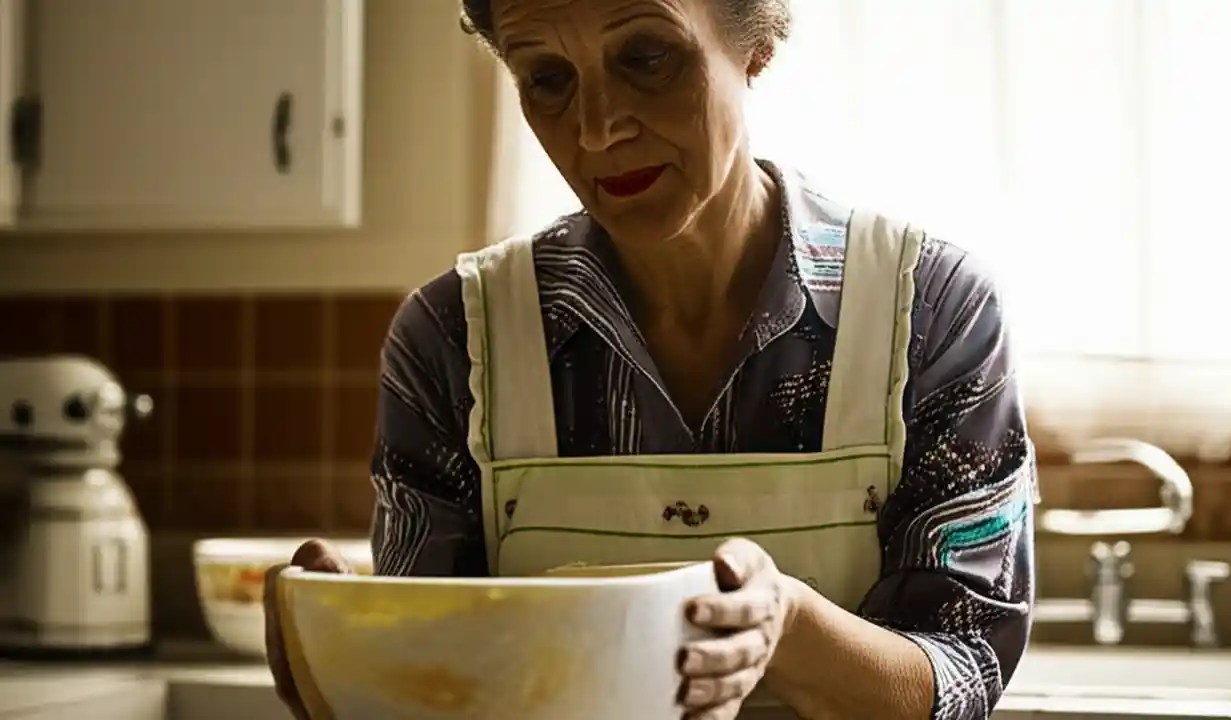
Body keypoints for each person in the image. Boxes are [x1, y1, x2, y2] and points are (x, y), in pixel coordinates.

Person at [263, 0, 1038, 718]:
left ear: (756, 42)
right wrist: (344, 656)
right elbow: (437, 687)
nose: (596, 132)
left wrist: (790, 625)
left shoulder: (929, 311)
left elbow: (961, 669)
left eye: (646, 57)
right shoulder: (454, 338)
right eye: (548, 79)